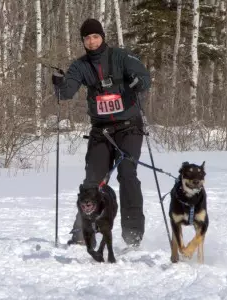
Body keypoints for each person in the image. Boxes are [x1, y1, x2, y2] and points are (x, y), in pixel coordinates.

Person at [52, 18, 151, 247]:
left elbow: (144, 77)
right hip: (101, 131)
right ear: (83, 41)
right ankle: (83, 232)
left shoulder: (121, 57)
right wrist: (58, 84)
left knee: (127, 175)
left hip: (129, 127)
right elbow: (66, 93)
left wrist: (139, 83)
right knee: (93, 182)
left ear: (102, 37)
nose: (92, 41)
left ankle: (133, 233)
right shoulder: (80, 66)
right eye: (87, 38)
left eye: (95, 36)